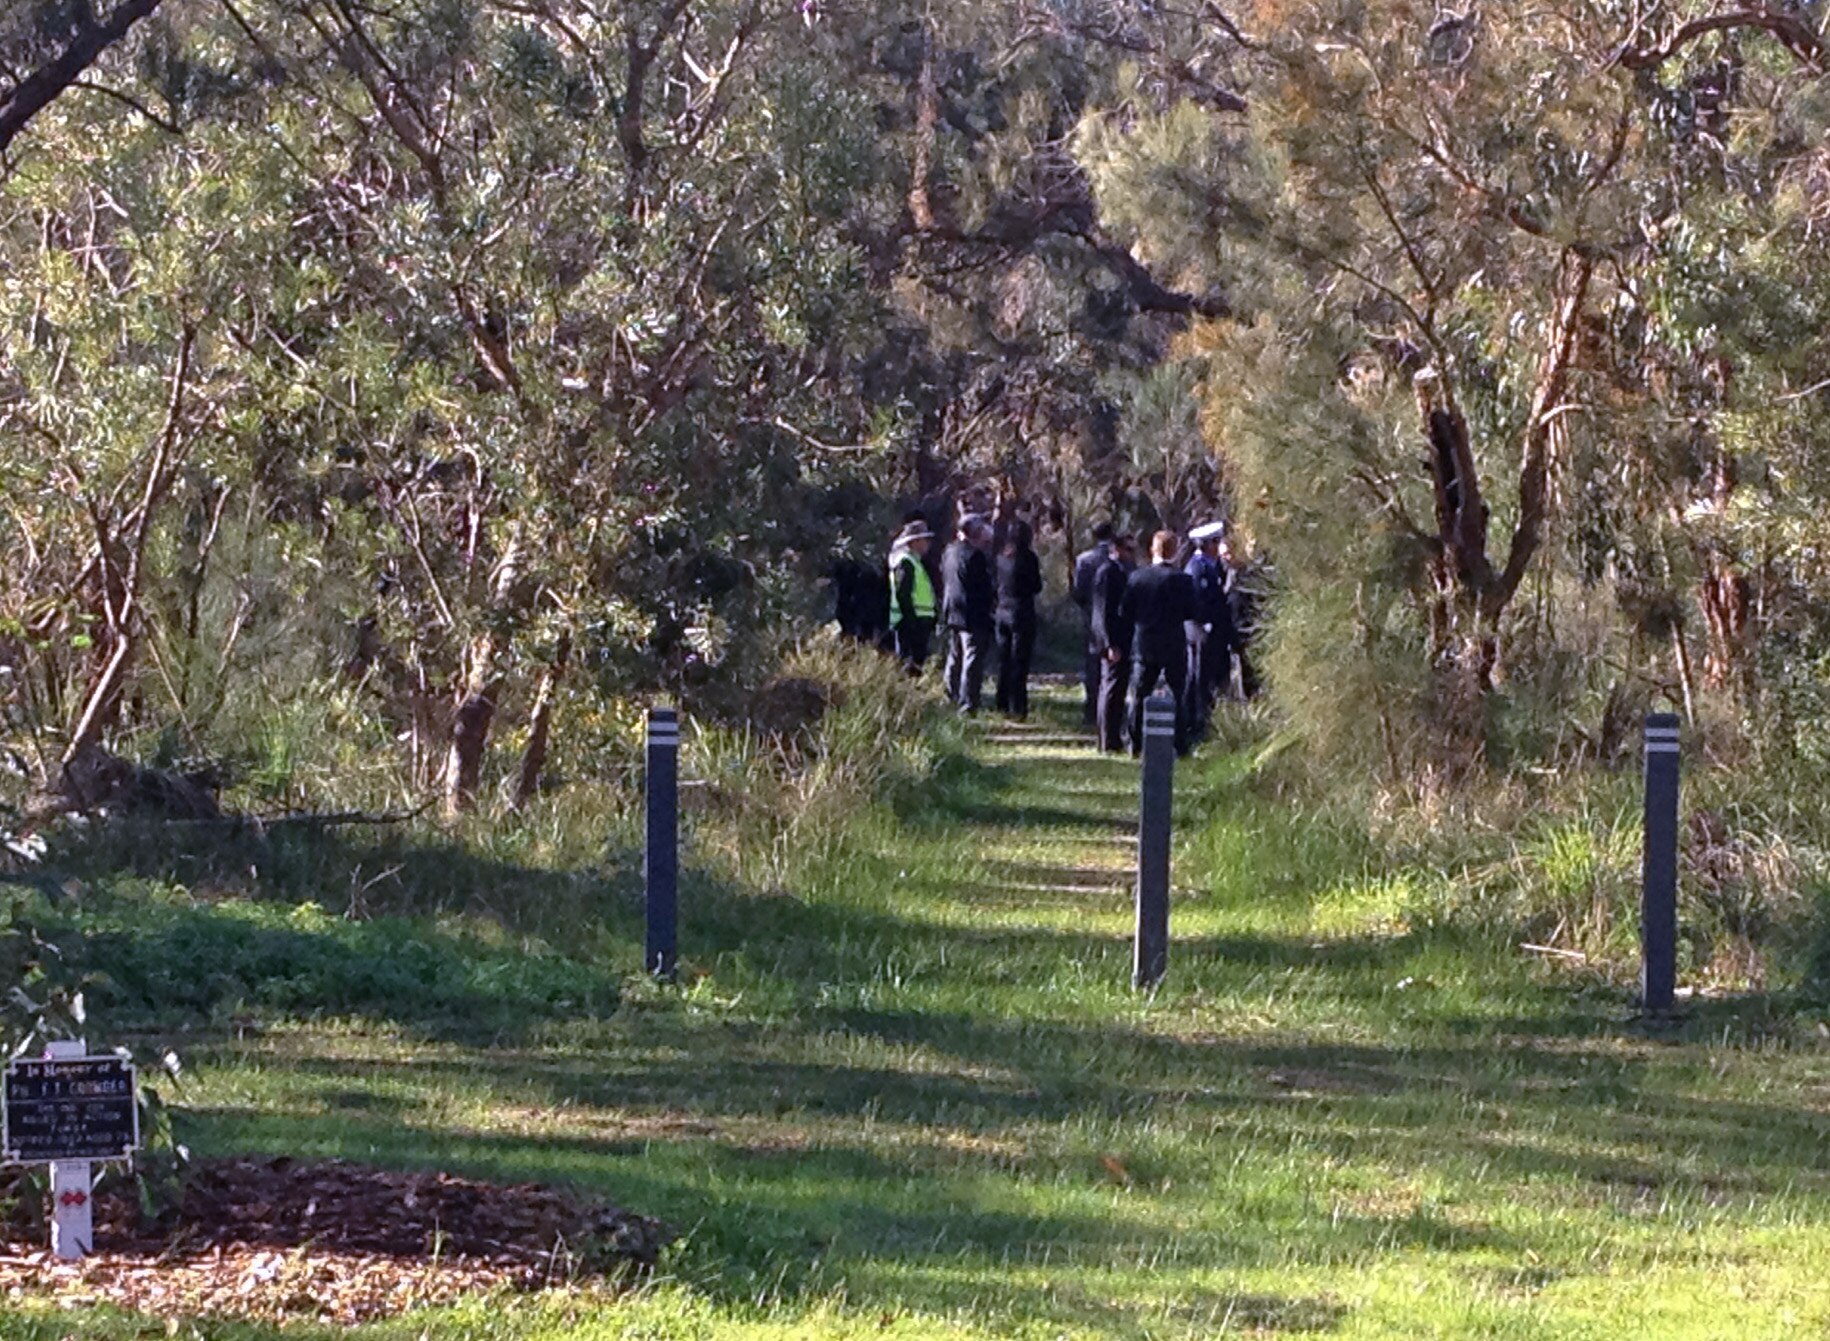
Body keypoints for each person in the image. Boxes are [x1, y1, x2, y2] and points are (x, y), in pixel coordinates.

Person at [1121, 530, 1197, 755]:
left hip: (1146, 643)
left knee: (1140, 694)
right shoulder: (1183, 580)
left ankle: (1134, 743)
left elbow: (1126, 611)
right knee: (1178, 693)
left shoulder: (1137, 578)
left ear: (1152, 550)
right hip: (1173, 642)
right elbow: (1191, 611)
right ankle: (1181, 744)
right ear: (1174, 551)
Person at [940, 515, 995, 714]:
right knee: (972, 660)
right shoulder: (975, 556)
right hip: (973, 614)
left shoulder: (949, 551)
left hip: (953, 611)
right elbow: (984, 588)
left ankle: (950, 696)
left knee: (954, 657)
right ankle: (968, 703)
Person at [1183, 522, 1233, 738]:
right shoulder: (1197, 567)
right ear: (1209, 544)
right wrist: (1206, 624)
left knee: (1213, 677)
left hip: (1216, 633)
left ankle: (1209, 723)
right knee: (1199, 679)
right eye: (1216, 542)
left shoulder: (1214, 566)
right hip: (1201, 632)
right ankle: (1195, 725)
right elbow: (1197, 600)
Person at [1090, 532, 1138, 753]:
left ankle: (1111, 738)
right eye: (1128, 550)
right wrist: (1109, 644)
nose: (1132, 555)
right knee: (1110, 689)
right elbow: (1103, 611)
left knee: (1116, 689)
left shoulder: (1120, 571)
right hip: (1113, 641)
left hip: (1122, 639)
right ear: (1116, 549)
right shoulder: (1108, 572)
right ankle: (1107, 740)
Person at [994, 519, 1042, 720]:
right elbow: (1036, 585)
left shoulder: (1001, 557)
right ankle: (1018, 706)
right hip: (1021, 612)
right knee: (1019, 660)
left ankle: (1001, 702)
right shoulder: (1028, 558)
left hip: (1001, 611)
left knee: (1004, 660)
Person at [1073, 522, 1115, 726]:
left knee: (1092, 665)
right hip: (1115, 618)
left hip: (1090, 619)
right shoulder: (1118, 558)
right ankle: (1112, 712)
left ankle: (1092, 710)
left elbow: (1078, 593)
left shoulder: (1084, 560)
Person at [886, 520, 937, 674]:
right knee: (909, 665)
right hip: (910, 622)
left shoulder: (915, 561)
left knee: (916, 664)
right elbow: (903, 594)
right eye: (924, 539)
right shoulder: (906, 562)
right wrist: (911, 619)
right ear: (914, 542)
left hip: (918, 621)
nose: (928, 544)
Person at [1219, 533, 1262, 700]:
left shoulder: (1249, 574)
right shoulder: (1224, 573)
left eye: (1229, 554)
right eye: (1223, 556)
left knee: (1252, 673)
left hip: (1249, 631)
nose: (1226, 559)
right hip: (1233, 632)